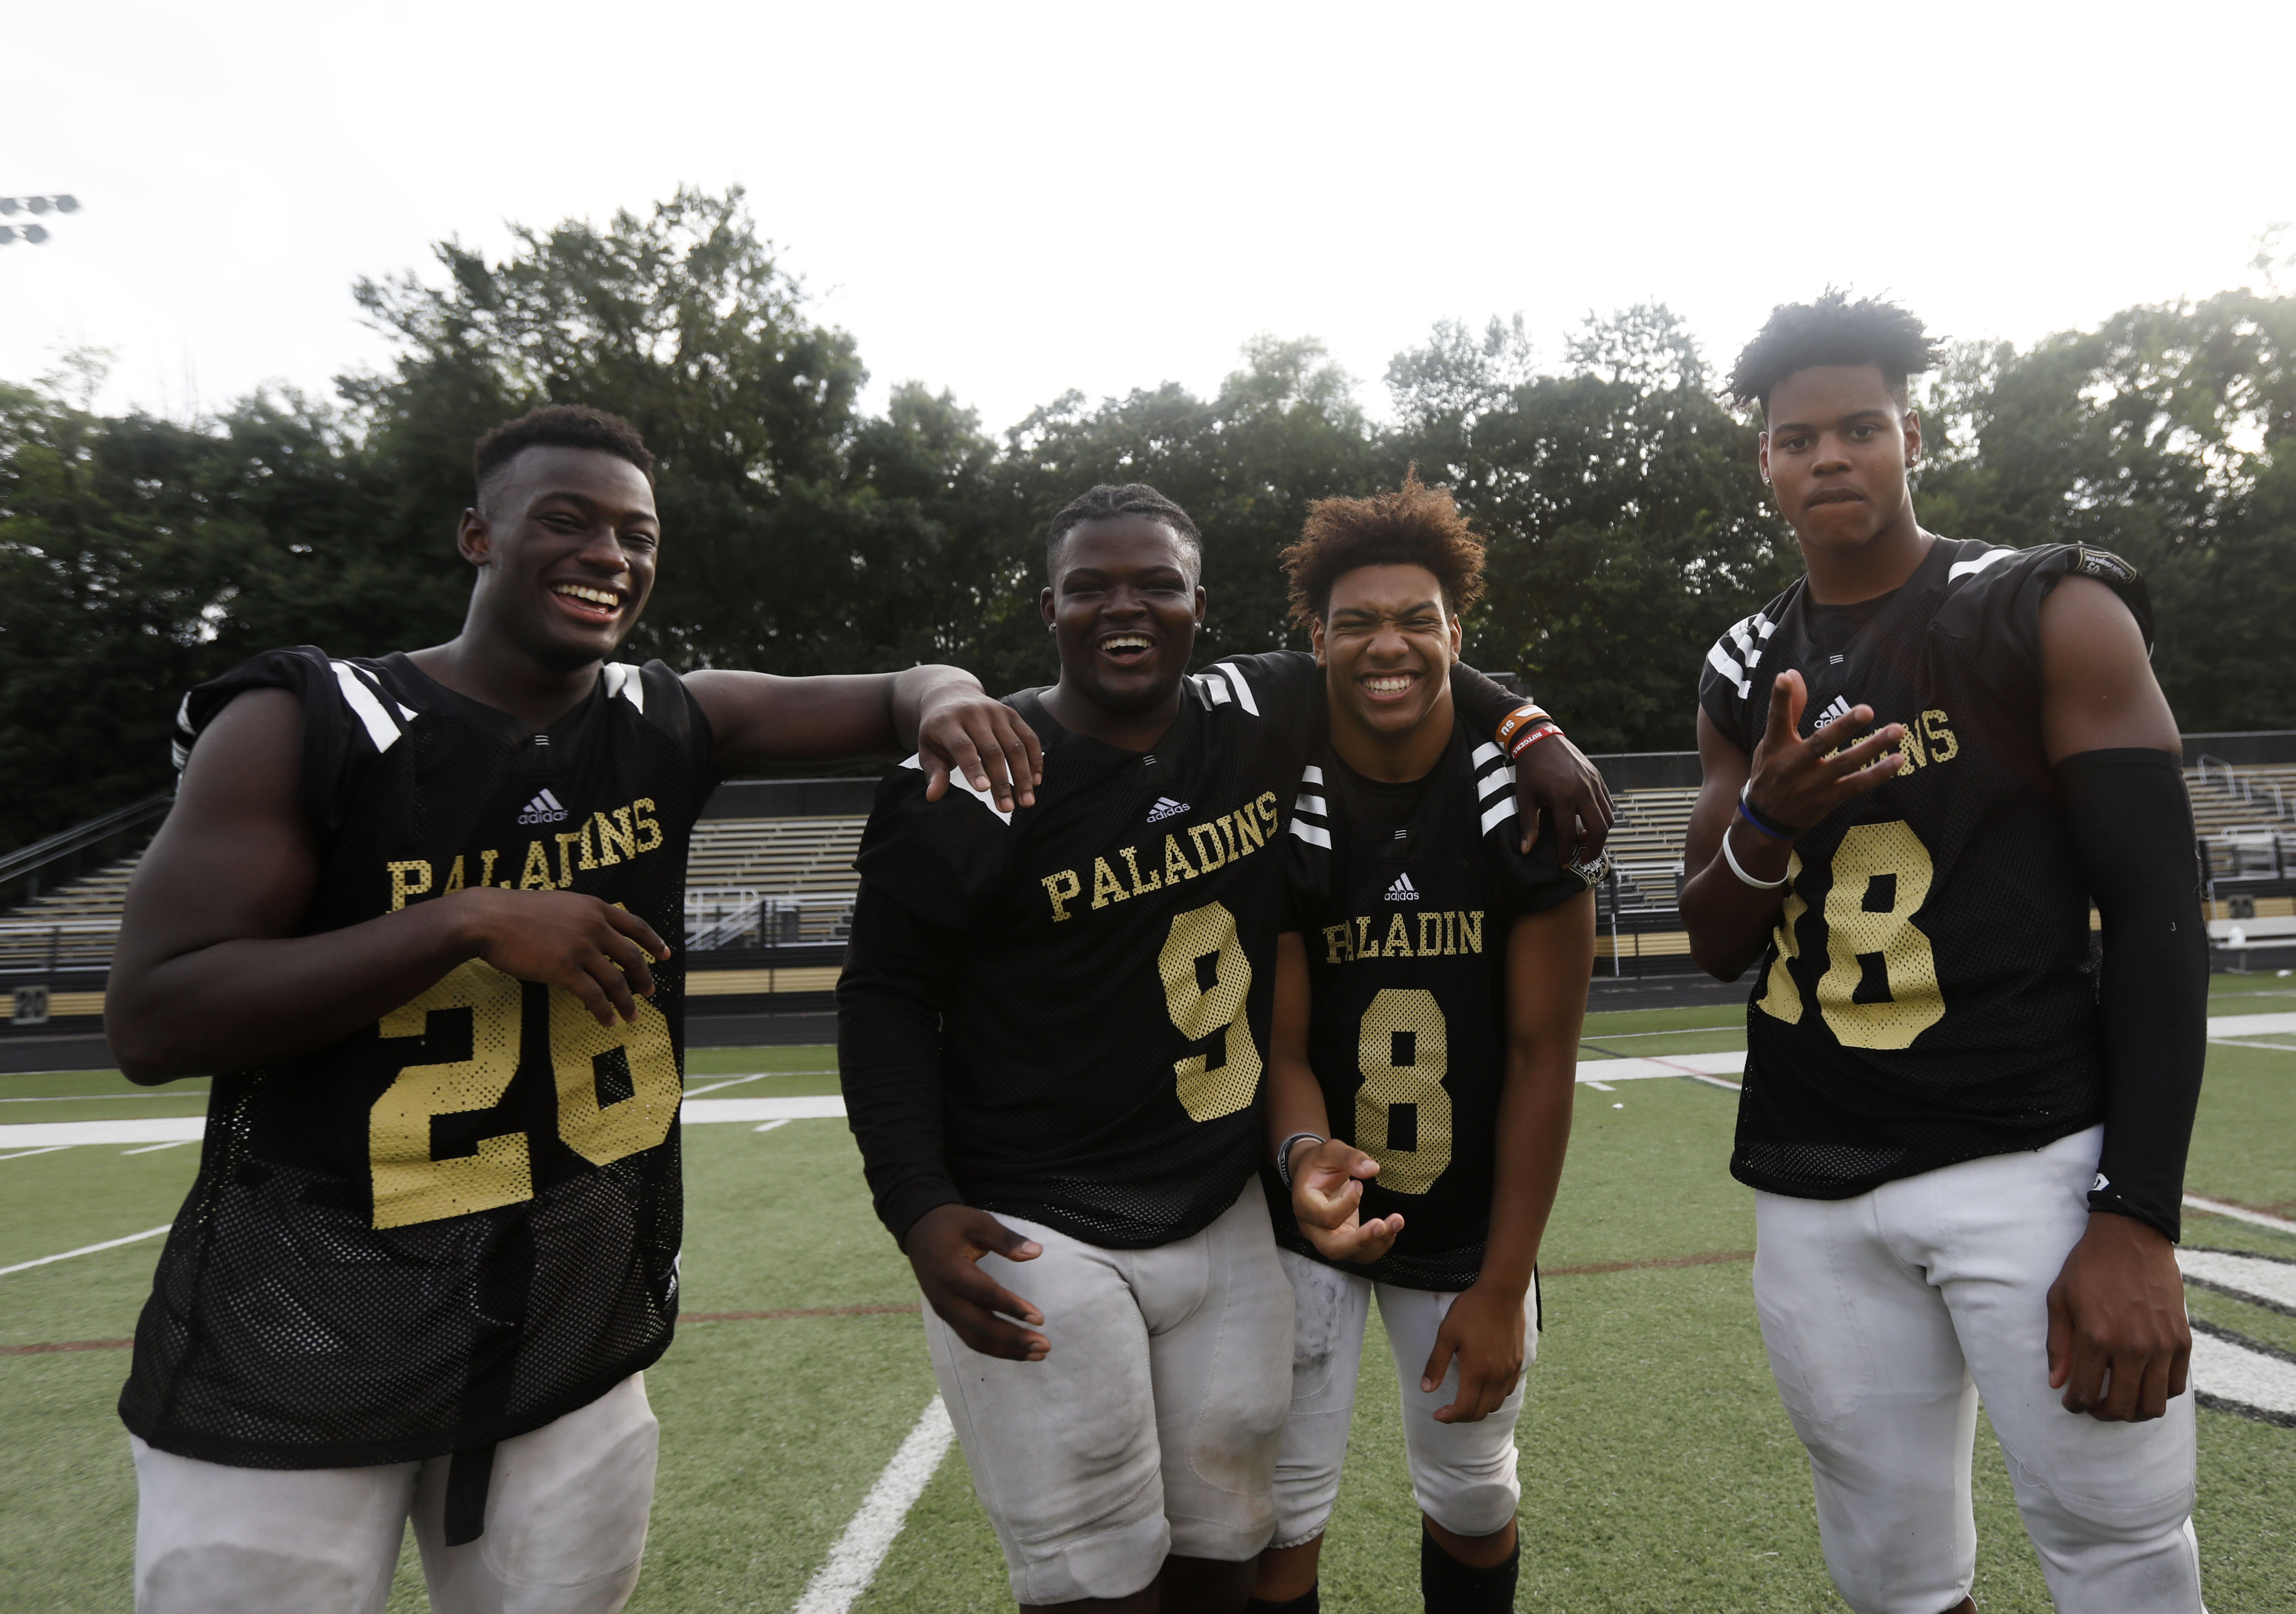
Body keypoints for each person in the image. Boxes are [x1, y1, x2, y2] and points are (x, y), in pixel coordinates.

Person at [104, 404, 1044, 1614]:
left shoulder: (664, 718)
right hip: (309, 1321)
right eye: (567, 521)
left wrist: (951, 696)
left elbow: (903, 689)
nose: (610, 554)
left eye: (636, 536)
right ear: (478, 536)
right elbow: (154, 1018)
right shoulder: (314, 720)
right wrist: (461, 921)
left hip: (560, 1319)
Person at [836, 482, 1612, 1614]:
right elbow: (886, 993)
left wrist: (1529, 728)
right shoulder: (986, 780)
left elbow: (1408, 652)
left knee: (1235, 1540)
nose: (1126, 609)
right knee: (1109, 1569)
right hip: (1061, 1206)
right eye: (1091, 588)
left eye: (1158, 585)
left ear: (1201, 606)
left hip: (1224, 1203)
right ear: (1048, 606)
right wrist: (915, 1198)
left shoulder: (1253, 719)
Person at [1679, 294, 2207, 1614]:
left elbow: (2159, 919)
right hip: (1813, 1175)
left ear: (1913, 435)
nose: (1829, 458)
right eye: (1797, 439)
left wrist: (2139, 1214)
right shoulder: (1745, 665)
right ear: (1765, 461)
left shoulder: (2046, 608)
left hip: (2026, 1156)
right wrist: (1768, 821)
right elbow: (1715, 938)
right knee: (1892, 1582)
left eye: (1860, 428)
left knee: (2123, 1551)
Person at [1247, 477, 1599, 1614]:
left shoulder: (1520, 800)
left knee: (1473, 1493)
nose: (1387, 644)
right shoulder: (1289, 795)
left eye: (1416, 619)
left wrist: (1503, 1283)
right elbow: (1281, 1044)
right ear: (1317, 642)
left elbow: (1544, 1060)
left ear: (1456, 632)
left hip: (1464, 1217)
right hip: (1309, 1215)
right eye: (1356, 622)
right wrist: (1304, 1157)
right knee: (1278, 1511)